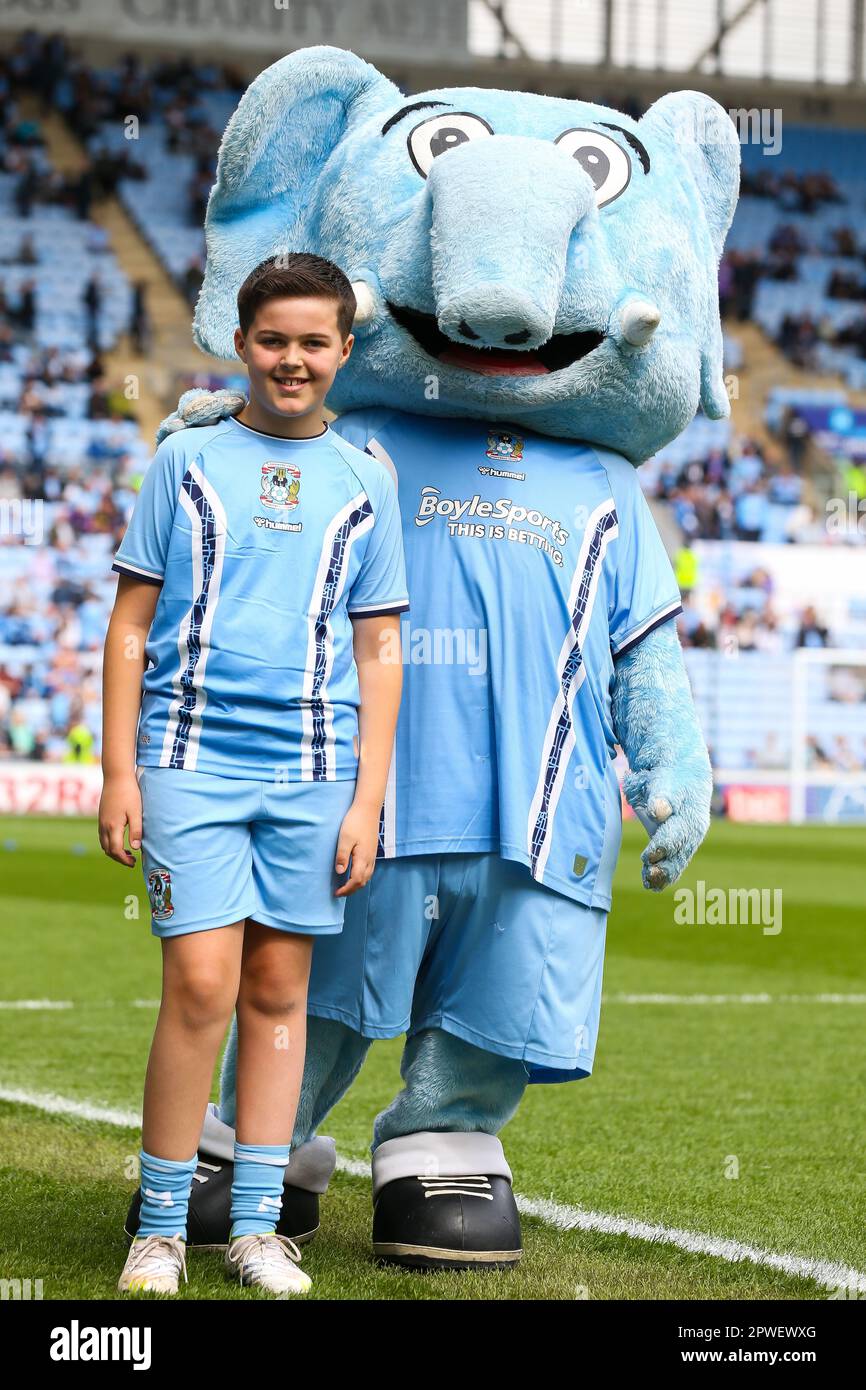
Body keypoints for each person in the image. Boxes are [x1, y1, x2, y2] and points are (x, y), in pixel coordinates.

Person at [100, 254, 408, 1296]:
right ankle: (158, 1227)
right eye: (272, 339)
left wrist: (368, 797)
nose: (291, 359)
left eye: (312, 342)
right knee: (198, 985)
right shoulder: (182, 459)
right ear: (240, 345)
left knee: (280, 991)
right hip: (187, 760)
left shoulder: (368, 480)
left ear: (342, 352)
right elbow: (130, 626)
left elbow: (378, 651)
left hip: (316, 775)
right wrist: (118, 772)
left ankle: (258, 1228)